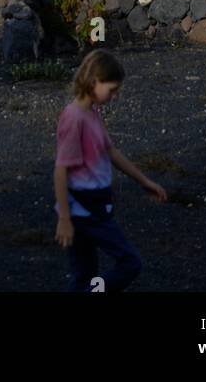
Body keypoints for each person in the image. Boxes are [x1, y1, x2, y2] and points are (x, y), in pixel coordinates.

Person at [54, 48, 167, 292]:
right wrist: (64, 218)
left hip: (95, 204)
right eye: (112, 90)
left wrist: (144, 181)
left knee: (83, 275)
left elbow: (110, 151)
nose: (114, 96)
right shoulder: (74, 118)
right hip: (85, 210)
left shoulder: (91, 112)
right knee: (130, 263)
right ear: (94, 82)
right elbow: (61, 169)